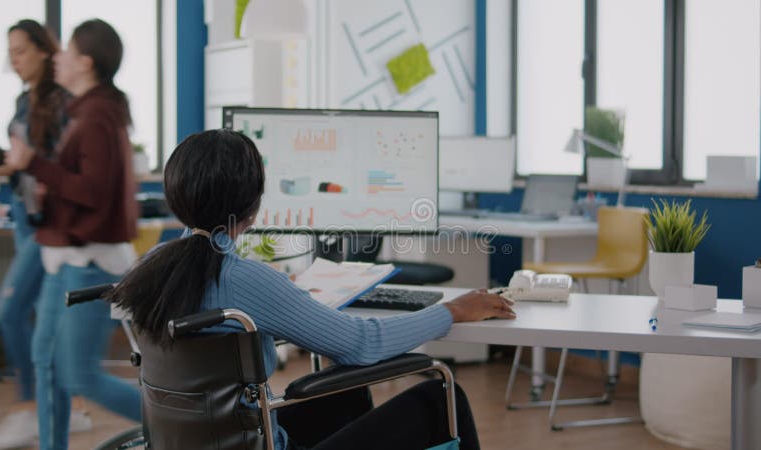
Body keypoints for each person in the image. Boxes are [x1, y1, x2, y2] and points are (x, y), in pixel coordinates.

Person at [109, 129, 517, 450]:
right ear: (251, 208)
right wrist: (452, 311)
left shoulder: (151, 268)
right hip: (261, 445)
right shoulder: (243, 279)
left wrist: (281, 302)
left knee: (345, 397)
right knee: (441, 396)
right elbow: (361, 344)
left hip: (203, 442)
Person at [0, 19, 141, 450]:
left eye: (66, 51)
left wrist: (35, 167)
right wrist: (39, 178)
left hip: (88, 261)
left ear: (85, 62)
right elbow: (76, 184)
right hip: (63, 255)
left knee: (78, 374)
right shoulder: (82, 112)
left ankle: (185, 427)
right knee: (47, 363)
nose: (56, 57)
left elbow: (92, 193)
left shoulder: (96, 116)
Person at [0, 19, 91, 450]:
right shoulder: (24, 100)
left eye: (21, 50)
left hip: (47, 224)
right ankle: (64, 409)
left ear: (44, 50)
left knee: (13, 312)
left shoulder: (62, 100)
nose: (14, 60)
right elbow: (23, 162)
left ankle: (31, 410)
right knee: (42, 322)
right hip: (23, 215)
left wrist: (21, 165)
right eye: (11, 52)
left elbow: (55, 164)